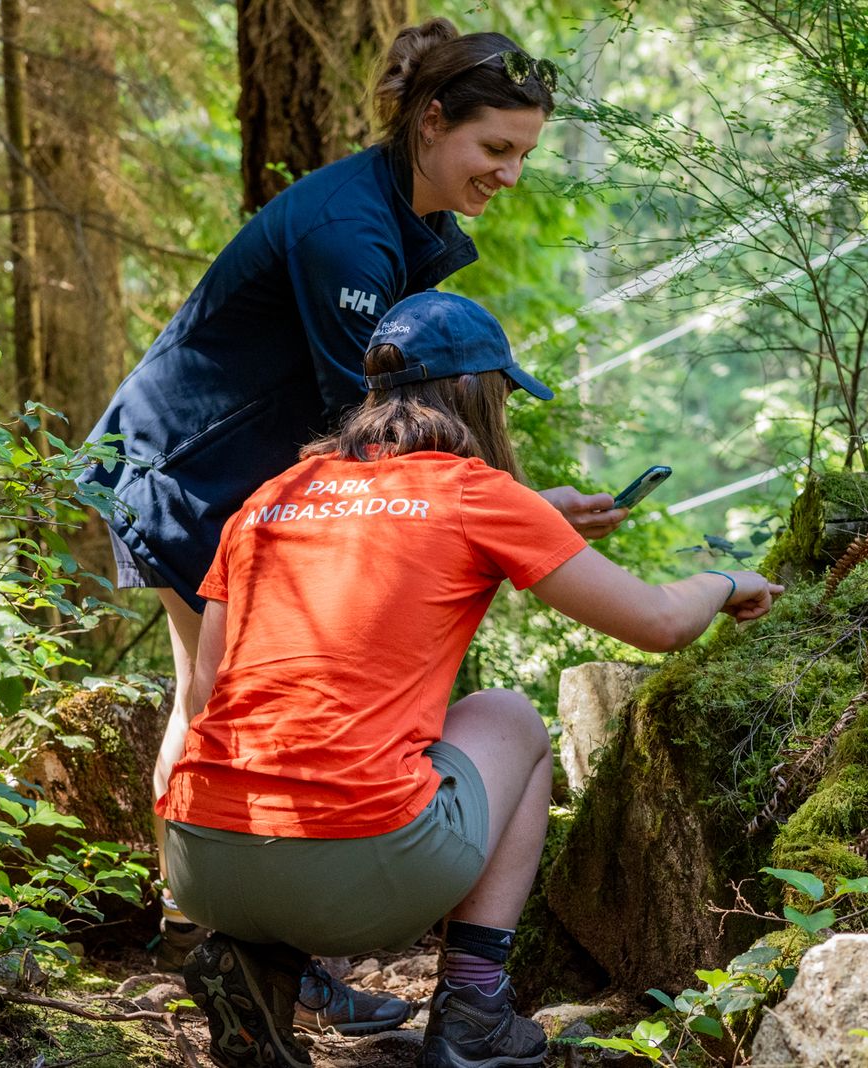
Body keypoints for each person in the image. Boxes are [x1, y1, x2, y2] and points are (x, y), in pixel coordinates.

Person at [81, 17, 625, 1031]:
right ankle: (224, 948)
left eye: (524, 155)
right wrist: (509, 513)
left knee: (220, 696)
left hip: (251, 478)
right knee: (212, 701)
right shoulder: (349, 233)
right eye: (493, 149)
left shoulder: (396, 218)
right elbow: (382, 437)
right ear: (430, 122)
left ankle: (247, 950)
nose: (507, 174)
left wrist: (512, 509)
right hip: (191, 472)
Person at [159, 291, 784, 1068]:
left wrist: (537, 515)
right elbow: (657, 622)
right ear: (468, 392)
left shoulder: (272, 497)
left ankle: (265, 962)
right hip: (352, 872)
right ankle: (474, 1007)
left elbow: (205, 693)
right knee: (511, 719)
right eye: (503, 396)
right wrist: (729, 582)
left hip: (201, 863)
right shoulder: (475, 493)